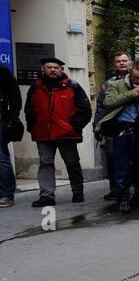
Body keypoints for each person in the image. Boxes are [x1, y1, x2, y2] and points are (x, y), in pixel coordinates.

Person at [96, 59, 139, 211]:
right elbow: (109, 102)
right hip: (123, 130)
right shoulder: (116, 85)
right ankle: (123, 200)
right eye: (136, 78)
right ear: (129, 74)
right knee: (122, 168)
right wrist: (132, 93)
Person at [24, 56, 91, 206]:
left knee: (72, 163)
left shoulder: (72, 86)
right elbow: (29, 109)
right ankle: (47, 195)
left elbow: (85, 111)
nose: (53, 70)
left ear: (61, 69)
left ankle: (78, 191)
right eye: (49, 67)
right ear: (43, 69)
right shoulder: (35, 87)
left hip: (67, 134)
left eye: (56, 67)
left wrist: (72, 127)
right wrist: (32, 126)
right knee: (45, 163)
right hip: (42, 133)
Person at [94, 51, 132, 203]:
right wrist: (97, 126)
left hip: (133, 125)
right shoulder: (108, 83)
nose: (122, 63)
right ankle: (115, 190)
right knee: (112, 157)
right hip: (114, 126)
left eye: (124, 60)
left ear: (130, 61)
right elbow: (101, 106)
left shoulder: (138, 79)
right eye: (118, 61)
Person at [0, 64, 23, 207]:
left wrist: (12, 120)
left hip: (0, 120)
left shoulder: (3, 74)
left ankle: (6, 195)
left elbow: (16, 100)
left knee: (1, 158)